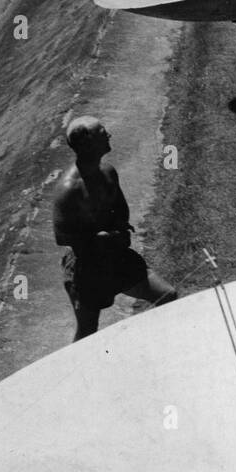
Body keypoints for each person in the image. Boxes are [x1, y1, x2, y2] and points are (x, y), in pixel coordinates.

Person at [53, 116, 177, 341]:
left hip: (117, 258)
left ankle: (156, 345)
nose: (109, 135)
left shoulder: (108, 171)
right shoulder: (68, 189)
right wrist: (99, 238)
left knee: (168, 295)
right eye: (102, 133)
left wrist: (119, 227)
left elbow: (120, 208)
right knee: (88, 333)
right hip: (87, 269)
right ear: (87, 143)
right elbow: (62, 236)